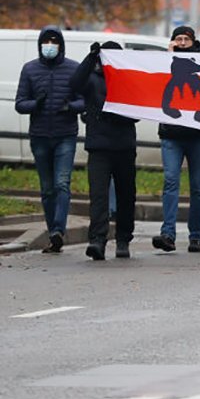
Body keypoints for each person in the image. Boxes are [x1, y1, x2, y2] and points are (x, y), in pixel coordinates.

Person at [15, 26, 83, 253]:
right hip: (40, 136)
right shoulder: (30, 69)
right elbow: (20, 103)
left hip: (65, 135)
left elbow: (84, 100)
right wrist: (36, 104)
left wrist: (70, 107)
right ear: (40, 44)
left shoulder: (73, 69)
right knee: (47, 188)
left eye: (55, 41)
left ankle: (57, 231)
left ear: (61, 45)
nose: (50, 45)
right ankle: (53, 231)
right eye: (47, 41)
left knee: (61, 183)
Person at [70, 41, 136, 260]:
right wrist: (90, 58)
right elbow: (74, 84)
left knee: (126, 194)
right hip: (99, 146)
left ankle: (123, 239)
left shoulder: (128, 79)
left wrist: (116, 115)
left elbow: (137, 111)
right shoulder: (92, 77)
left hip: (124, 145)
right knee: (98, 196)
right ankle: (97, 240)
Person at [153, 26, 200, 253]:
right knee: (170, 182)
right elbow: (156, 88)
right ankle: (168, 233)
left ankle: (196, 235)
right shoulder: (165, 64)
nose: (183, 42)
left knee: (198, 187)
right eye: (179, 39)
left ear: (193, 41)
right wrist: (168, 56)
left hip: (199, 136)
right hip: (171, 134)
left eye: (186, 39)